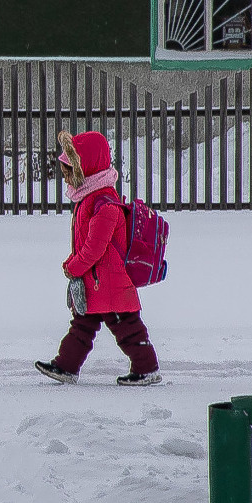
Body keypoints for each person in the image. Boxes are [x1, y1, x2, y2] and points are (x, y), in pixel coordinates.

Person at [35, 129, 160, 386]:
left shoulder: (105, 205)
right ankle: (66, 366)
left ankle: (147, 368)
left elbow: (94, 248)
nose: (66, 178)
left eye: (70, 171)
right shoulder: (90, 199)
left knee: (126, 327)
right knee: (83, 324)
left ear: (87, 169)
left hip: (109, 283)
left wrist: (73, 266)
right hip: (97, 283)